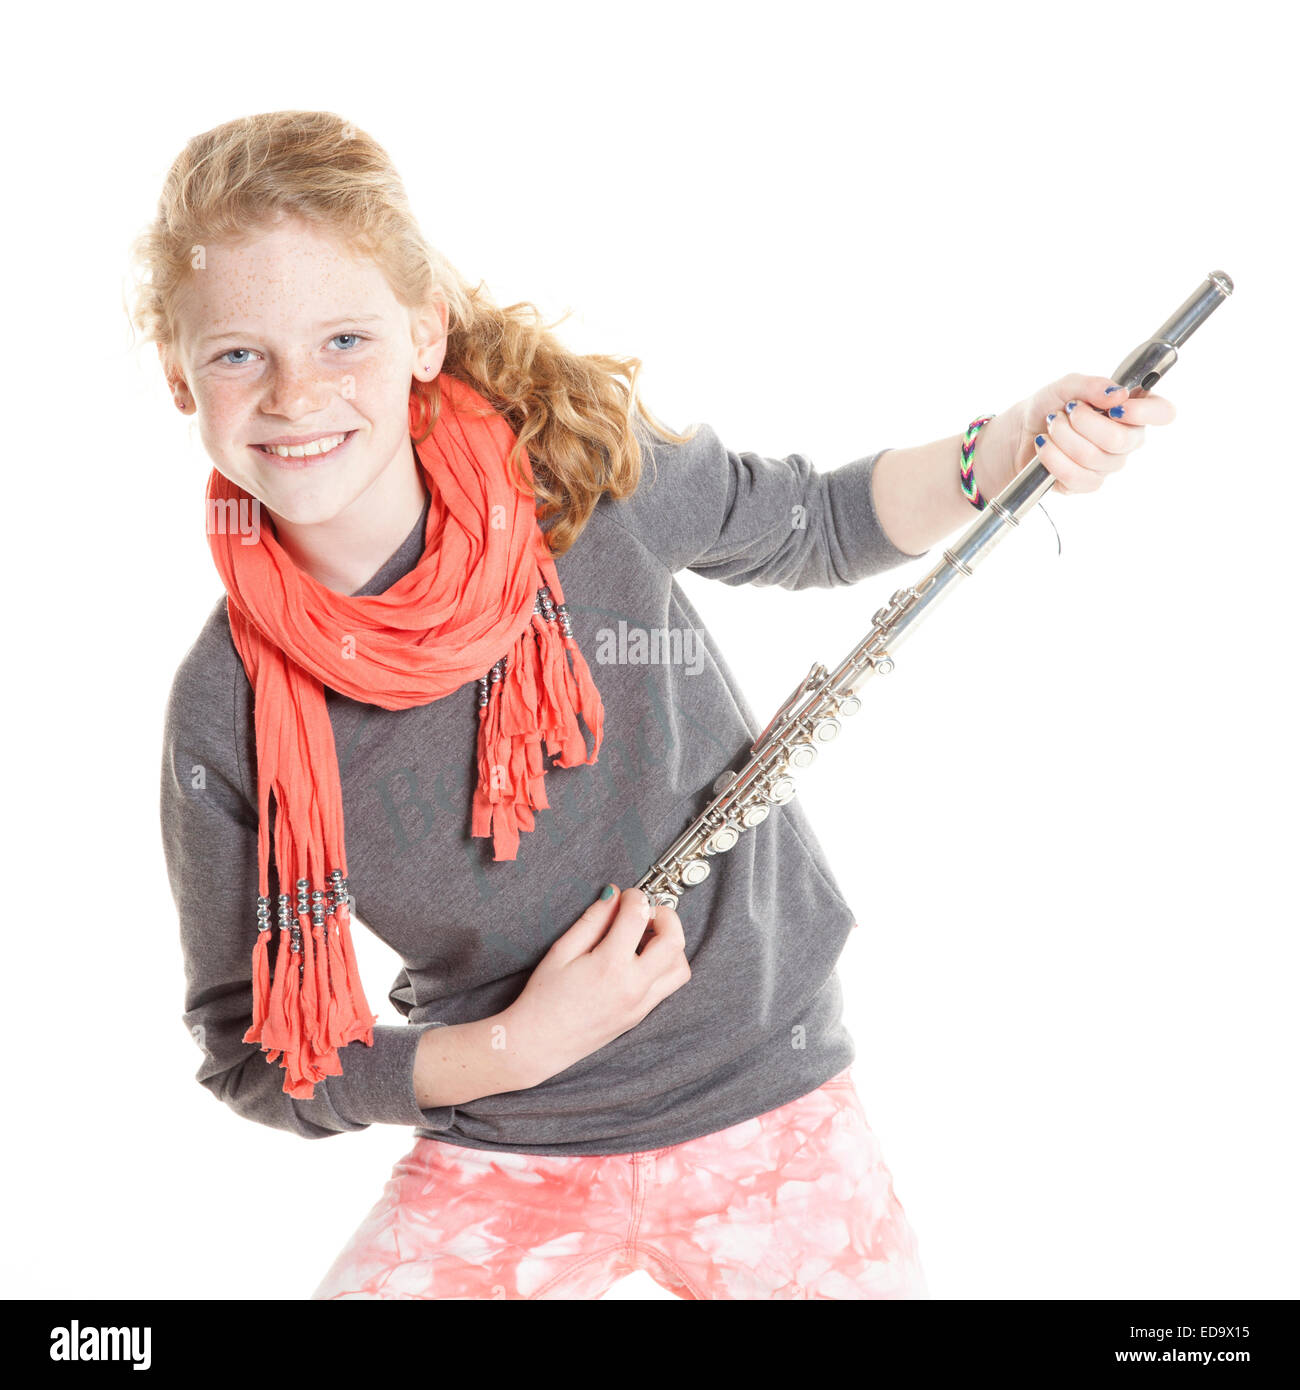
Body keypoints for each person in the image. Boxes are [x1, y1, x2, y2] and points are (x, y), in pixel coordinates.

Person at [134, 110, 1175, 1301]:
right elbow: (253, 1050)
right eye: (237, 356)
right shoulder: (223, 710)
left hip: (769, 1104)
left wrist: (1008, 446)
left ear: (425, 334)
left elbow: (817, 524)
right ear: (180, 376)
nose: (295, 393)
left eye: (344, 338)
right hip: (504, 1147)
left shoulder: (575, 469)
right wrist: (517, 1047)